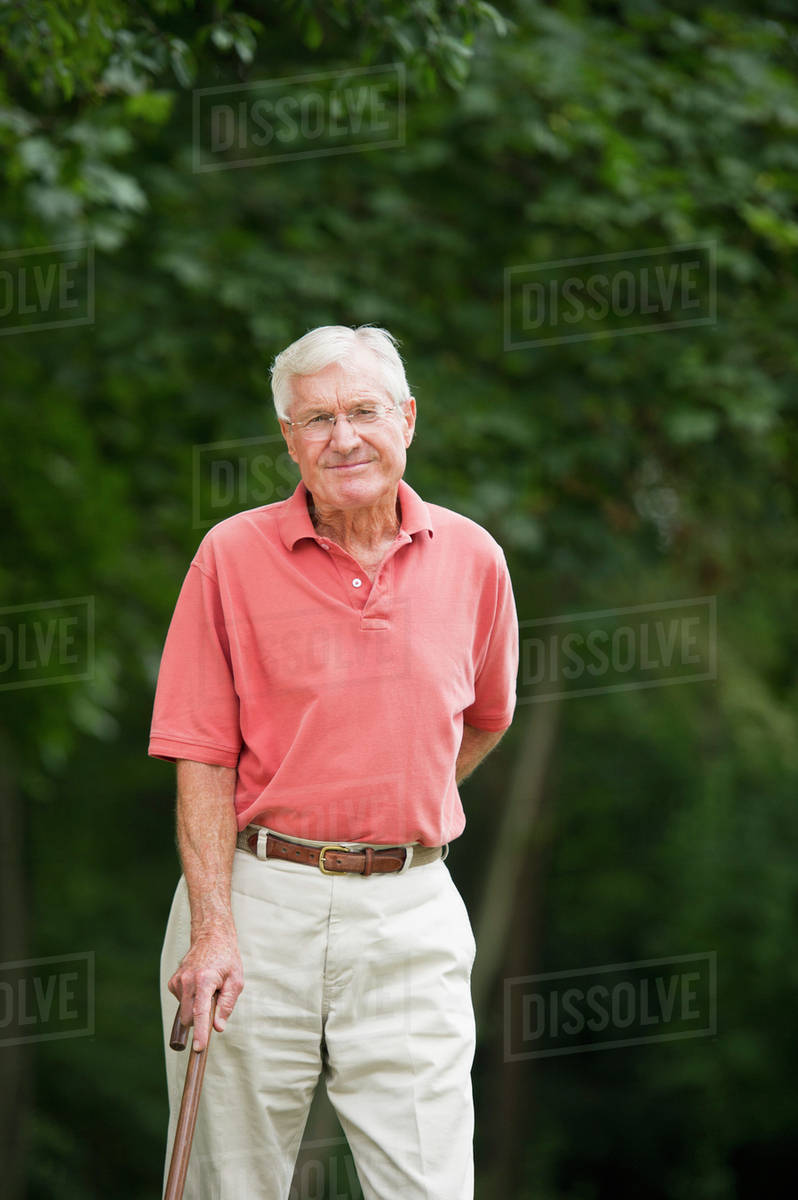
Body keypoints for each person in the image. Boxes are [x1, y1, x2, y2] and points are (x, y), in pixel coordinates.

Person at [150, 324, 519, 1199]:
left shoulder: (475, 558)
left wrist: (388, 807)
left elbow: (485, 719)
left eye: (364, 412)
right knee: (228, 1183)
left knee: (429, 1184)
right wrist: (213, 930)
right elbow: (201, 754)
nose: (343, 437)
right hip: (254, 901)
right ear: (289, 438)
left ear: (408, 419)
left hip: (412, 910)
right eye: (317, 419)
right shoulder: (229, 556)